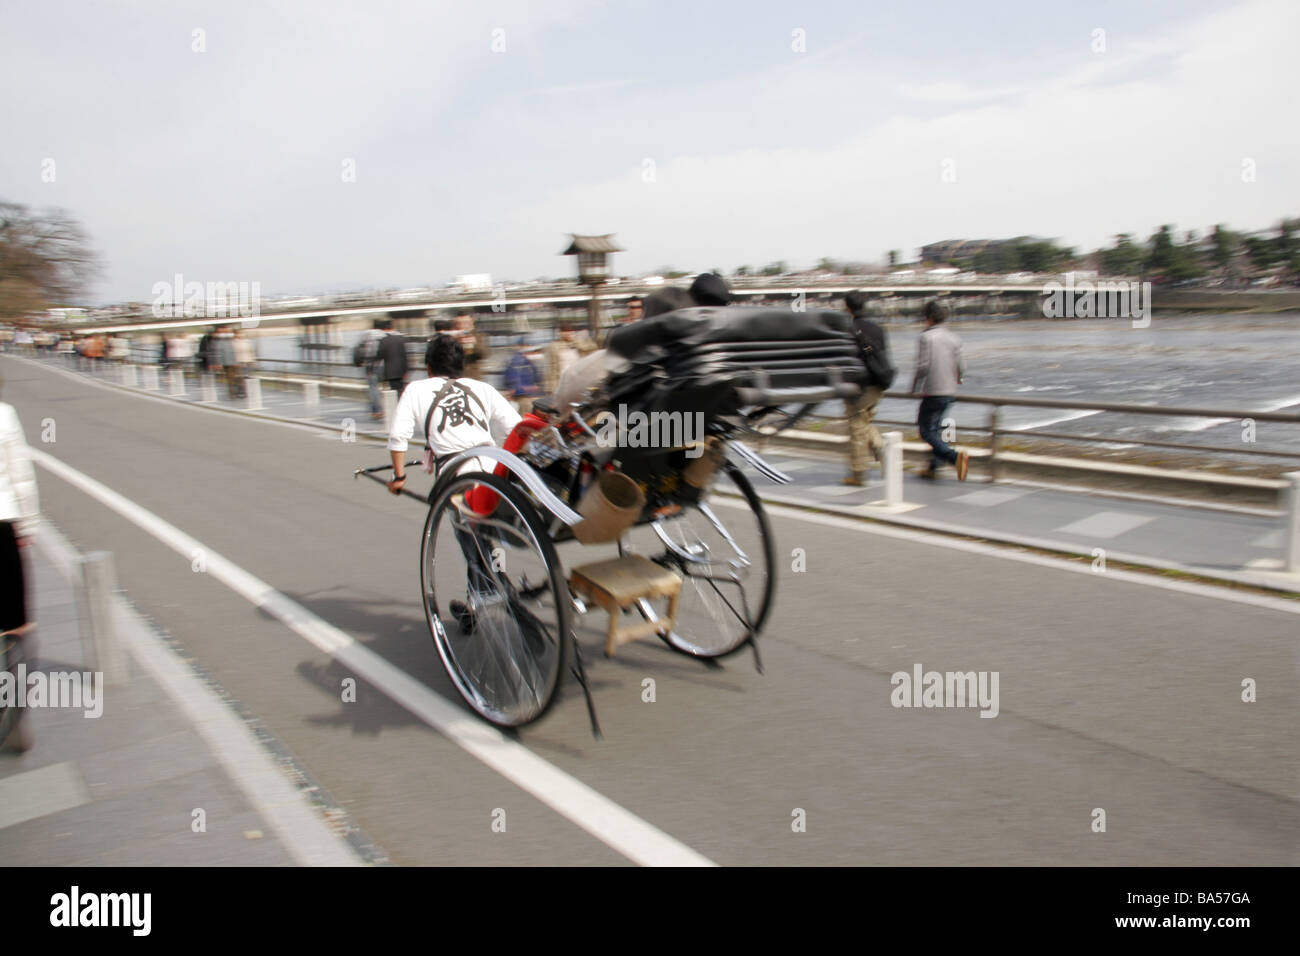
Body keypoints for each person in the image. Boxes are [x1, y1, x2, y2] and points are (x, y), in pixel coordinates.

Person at [386, 336, 521, 602]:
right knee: (481, 531)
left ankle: (486, 590)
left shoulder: (415, 389)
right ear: (462, 366)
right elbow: (516, 428)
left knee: (468, 534)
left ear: (428, 367)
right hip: (493, 470)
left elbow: (397, 437)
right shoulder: (481, 387)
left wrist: (399, 477)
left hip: (458, 475)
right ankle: (479, 594)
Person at [1, 383, 40, 752]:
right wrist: (28, 527)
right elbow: (21, 478)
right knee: (13, 627)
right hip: (1, 526)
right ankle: (14, 717)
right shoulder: (4, 414)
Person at [911, 300, 969, 481]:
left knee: (925, 430)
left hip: (933, 391)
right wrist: (958, 379)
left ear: (928, 318)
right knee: (935, 430)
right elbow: (962, 365)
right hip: (949, 391)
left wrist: (915, 387)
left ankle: (954, 457)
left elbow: (923, 366)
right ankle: (933, 468)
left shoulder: (926, 337)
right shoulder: (954, 337)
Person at [842, 292, 894, 485]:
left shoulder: (849, 330)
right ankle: (881, 448)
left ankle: (858, 474)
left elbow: (845, 361)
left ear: (847, 307)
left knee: (856, 428)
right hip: (879, 384)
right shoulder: (878, 329)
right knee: (865, 421)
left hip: (858, 387)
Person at [501, 344, 542, 412]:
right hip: (522, 395)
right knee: (526, 410)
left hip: (529, 394)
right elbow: (513, 380)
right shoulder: (517, 362)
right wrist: (526, 389)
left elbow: (537, 377)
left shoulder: (528, 362)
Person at [375, 319, 409, 397]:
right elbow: (405, 354)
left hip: (390, 370)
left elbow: (379, 355)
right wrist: (406, 369)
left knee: (394, 389)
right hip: (401, 369)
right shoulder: (401, 338)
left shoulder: (384, 340)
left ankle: (398, 405)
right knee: (401, 389)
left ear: (383, 329)